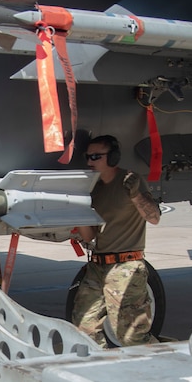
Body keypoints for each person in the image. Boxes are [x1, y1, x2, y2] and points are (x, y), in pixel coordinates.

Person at [70, 135, 162, 346]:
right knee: (84, 328)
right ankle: (102, 364)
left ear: (112, 158)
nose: (90, 161)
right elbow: (89, 236)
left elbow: (154, 218)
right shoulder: (96, 189)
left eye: (96, 156)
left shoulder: (130, 181)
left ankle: (161, 362)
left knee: (131, 336)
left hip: (124, 267)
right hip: (97, 267)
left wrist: (136, 194)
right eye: (87, 157)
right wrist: (78, 209)